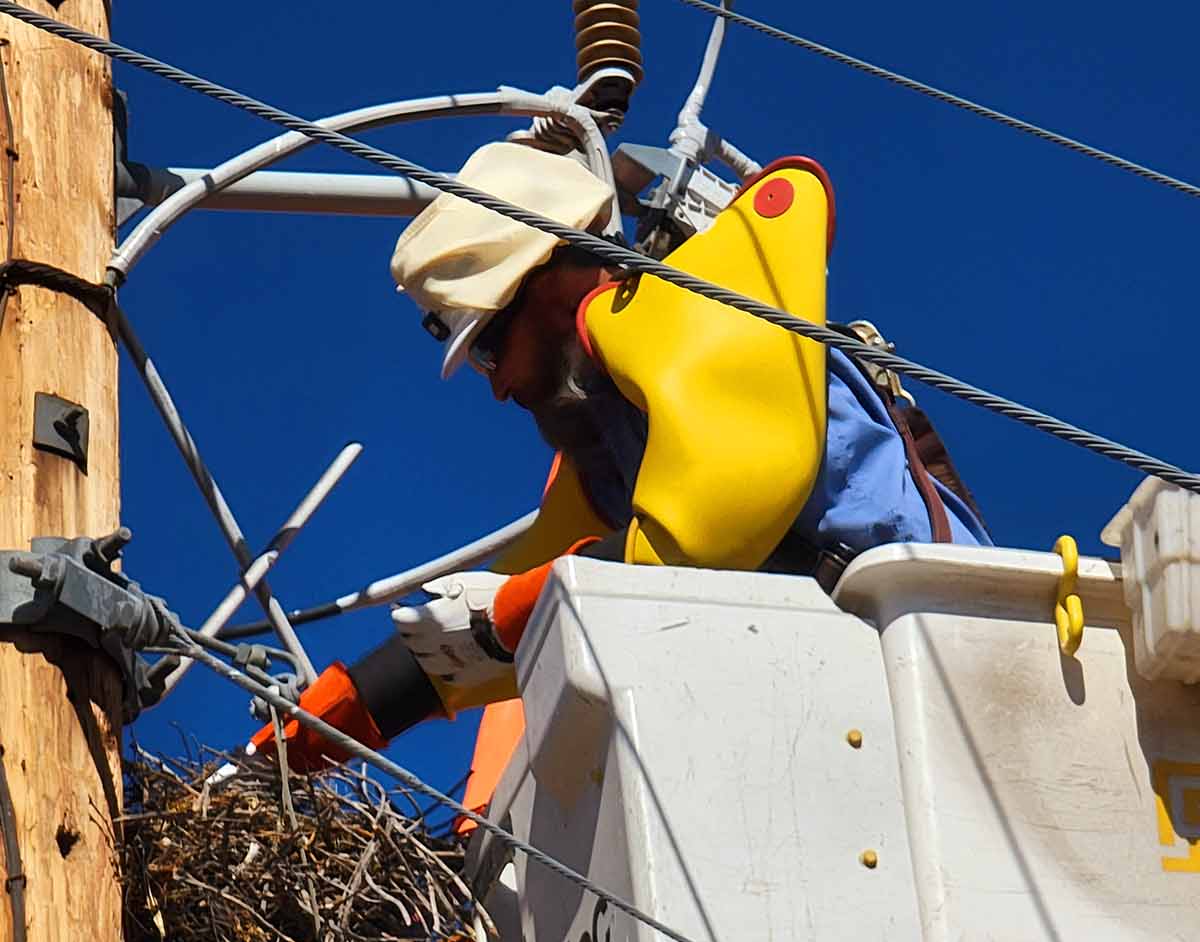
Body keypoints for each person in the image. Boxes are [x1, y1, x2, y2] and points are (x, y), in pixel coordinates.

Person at [251, 139, 989, 775]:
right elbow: (478, 628)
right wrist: (342, 713)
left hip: (952, 660)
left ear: (553, 279)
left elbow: (709, 524)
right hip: (859, 687)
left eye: (491, 348)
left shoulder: (699, 316)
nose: (499, 386)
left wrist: (514, 610)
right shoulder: (614, 452)